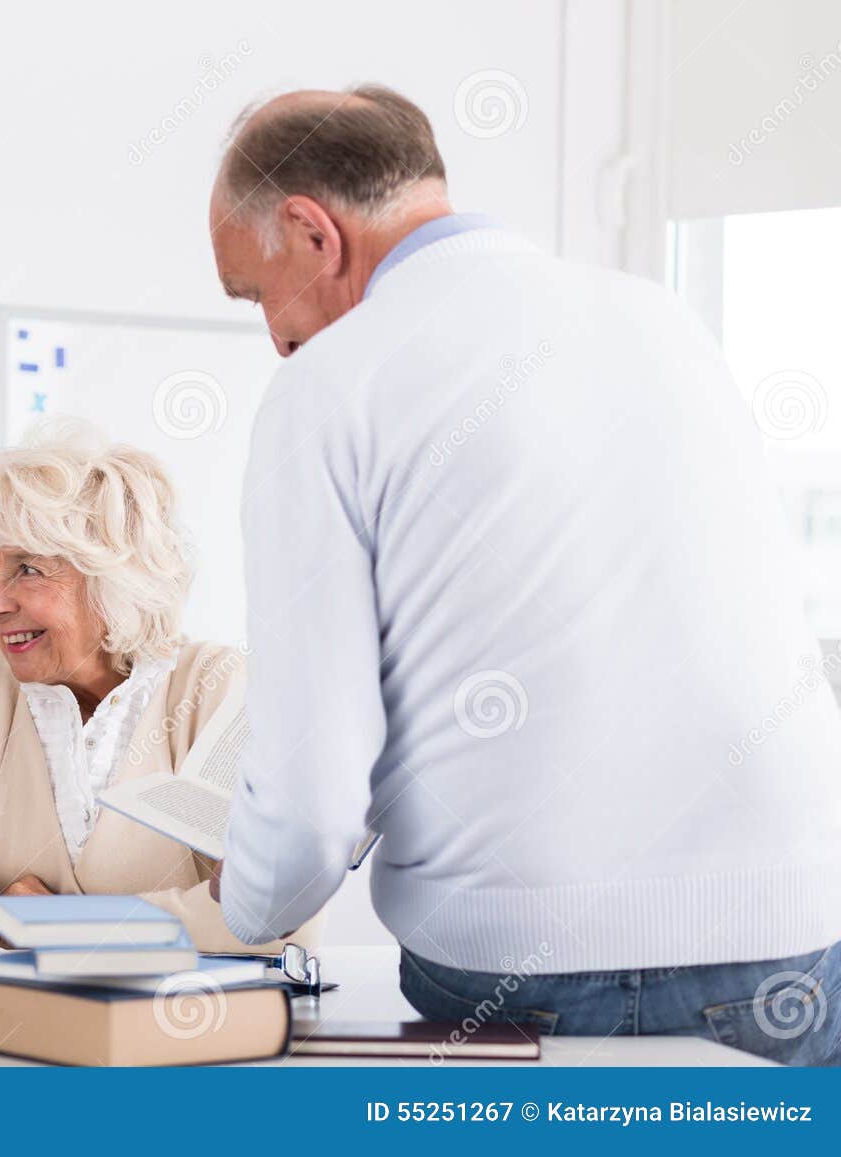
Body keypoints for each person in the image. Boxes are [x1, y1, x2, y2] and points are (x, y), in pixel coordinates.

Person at [208, 85, 841, 1063]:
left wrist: (243, 900)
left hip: (528, 967)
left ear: (311, 231)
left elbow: (307, 807)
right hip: (795, 934)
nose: (276, 337)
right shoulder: (662, 317)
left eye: (256, 294)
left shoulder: (325, 386)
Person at [0, 425, 321, 967]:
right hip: (2, 1016)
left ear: (114, 576)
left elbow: (284, 909)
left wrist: (63, 924)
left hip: (182, 1018)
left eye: (27, 570)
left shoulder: (222, 685)